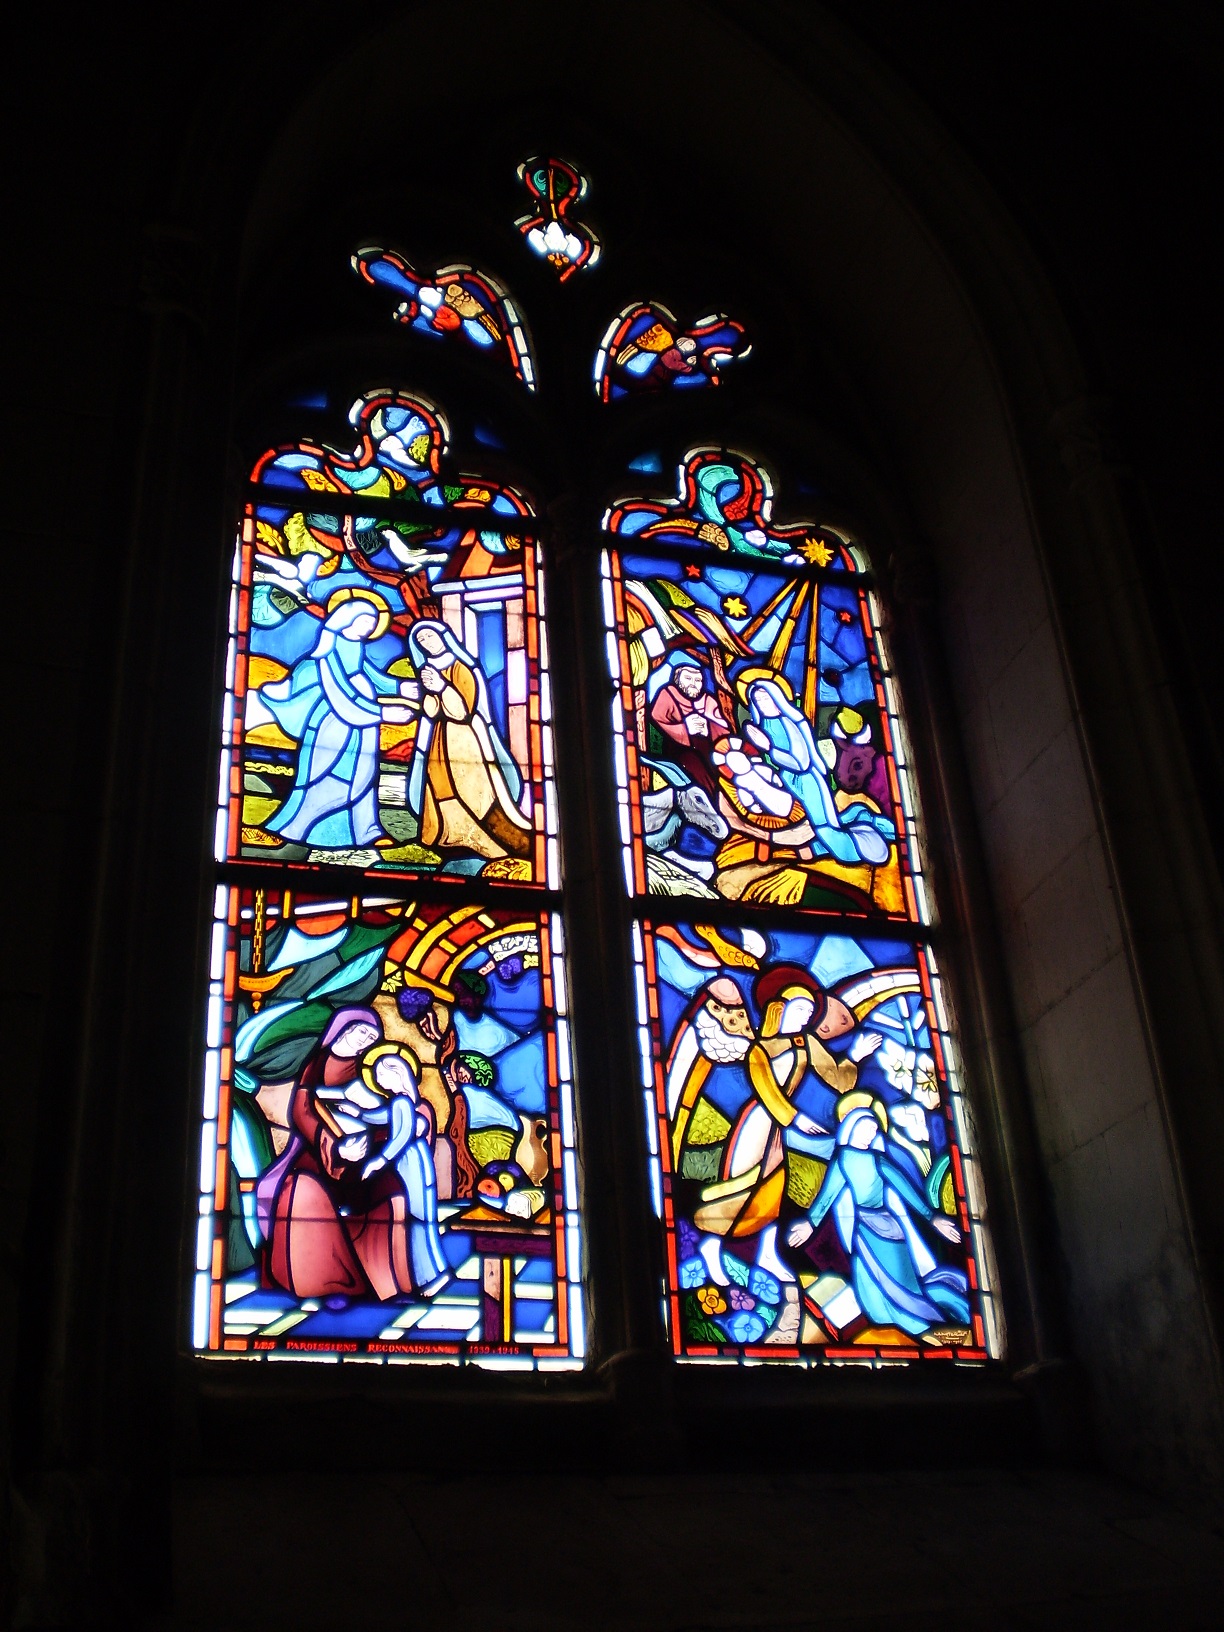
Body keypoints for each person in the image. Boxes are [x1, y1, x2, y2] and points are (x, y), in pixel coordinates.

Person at [787, 1100, 971, 1337]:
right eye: (866, 1130)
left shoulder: (877, 1159)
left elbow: (905, 1188)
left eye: (873, 1131)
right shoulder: (843, 1160)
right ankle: (885, 1318)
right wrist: (810, 1223)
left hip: (888, 1228)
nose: (869, 1135)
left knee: (903, 1284)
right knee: (869, 1284)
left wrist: (932, 1218)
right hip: (863, 1228)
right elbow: (827, 1195)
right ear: (852, 1129)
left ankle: (919, 1320)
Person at [257, 1008, 383, 1300]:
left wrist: (368, 1129)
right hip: (317, 1151)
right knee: (301, 1189)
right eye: (362, 1032)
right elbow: (302, 1110)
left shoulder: (364, 1069)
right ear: (344, 1029)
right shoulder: (316, 1064)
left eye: (371, 1039)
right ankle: (324, 1277)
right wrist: (334, 1146)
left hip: (360, 1151)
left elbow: (380, 1110)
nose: (364, 1042)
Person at [260, 591, 401, 849]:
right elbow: (339, 692)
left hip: (363, 722)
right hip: (333, 723)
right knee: (323, 775)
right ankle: (296, 828)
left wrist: (399, 687)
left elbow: (370, 673)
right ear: (346, 618)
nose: (368, 628)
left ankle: (366, 832)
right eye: (364, 622)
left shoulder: (356, 646)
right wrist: (381, 713)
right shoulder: (327, 653)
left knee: (365, 774)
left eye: (371, 624)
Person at [406, 620, 532, 860]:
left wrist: (442, 686)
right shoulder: (428, 670)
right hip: (439, 737)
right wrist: (428, 691)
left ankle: (483, 839)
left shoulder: (461, 667)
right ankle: (449, 835)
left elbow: (464, 712)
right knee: (439, 784)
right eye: (421, 641)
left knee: (470, 791)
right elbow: (432, 712)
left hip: (464, 739)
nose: (426, 643)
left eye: (430, 637)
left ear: (442, 638)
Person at [741, 671, 895, 864]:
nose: (762, 704)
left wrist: (769, 747)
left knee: (825, 827)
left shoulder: (789, 721)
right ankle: (861, 816)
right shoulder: (765, 724)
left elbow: (801, 762)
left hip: (806, 780)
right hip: (791, 781)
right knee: (816, 826)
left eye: (765, 698)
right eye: (757, 700)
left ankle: (867, 843)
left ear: (776, 698)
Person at [355, 1045, 449, 1297]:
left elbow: (402, 1136)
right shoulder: (400, 1103)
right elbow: (381, 1116)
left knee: (416, 1218)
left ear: (396, 1075)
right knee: (419, 1218)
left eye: (381, 1074)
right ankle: (432, 1274)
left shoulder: (401, 1102)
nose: (377, 1080)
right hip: (413, 1163)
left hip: (409, 1164)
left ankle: (429, 1278)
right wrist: (357, 1111)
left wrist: (379, 1161)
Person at [648, 657, 730, 792]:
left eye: (698, 680)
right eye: (688, 678)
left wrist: (709, 727)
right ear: (677, 678)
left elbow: (725, 731)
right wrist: (685, 729)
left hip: (711, 752)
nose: (693, 683)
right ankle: (712, 794)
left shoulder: (708, 700)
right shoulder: (668, 695)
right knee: (692, 763)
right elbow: (657, 722)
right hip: (679, 752)